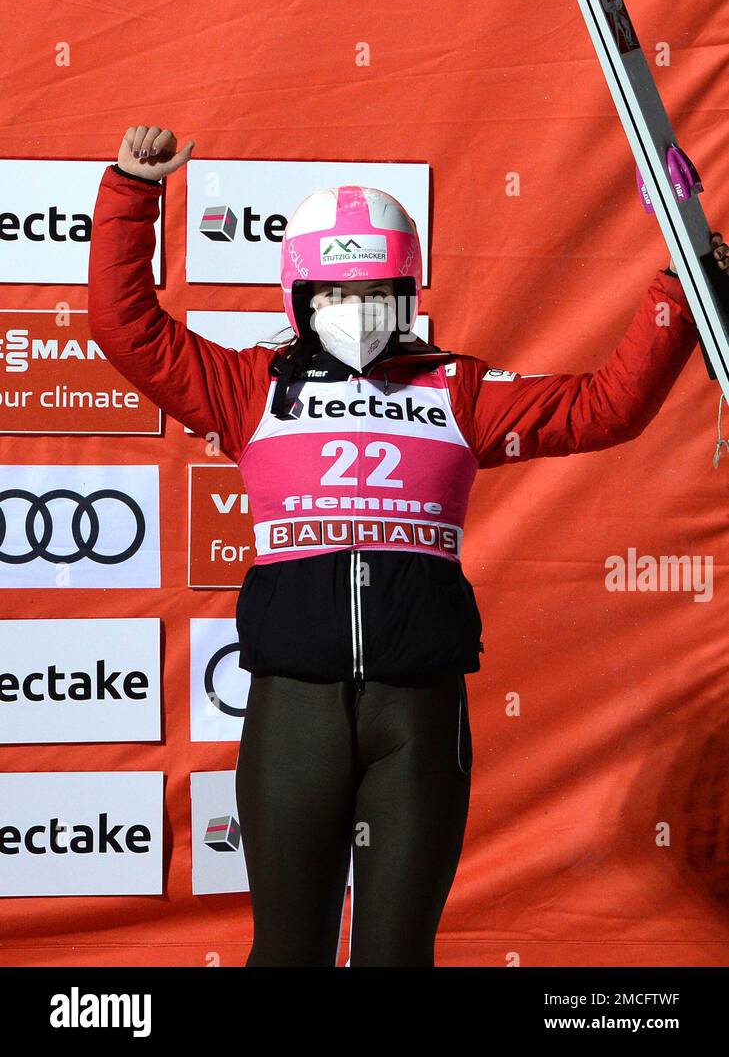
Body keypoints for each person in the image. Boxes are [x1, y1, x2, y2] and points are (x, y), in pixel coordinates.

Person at [88, 124, 728, 968]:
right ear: (297, 297)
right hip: (294, 710)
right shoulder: (249, 387)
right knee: (287, 954)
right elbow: (124, 327)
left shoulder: (456, 387)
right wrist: (132, 191)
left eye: (379, 294)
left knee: (396, 957)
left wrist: (681, 283)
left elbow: (605, 407)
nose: (357, 315)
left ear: (410, 291)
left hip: (416, 713)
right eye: (334, 294)